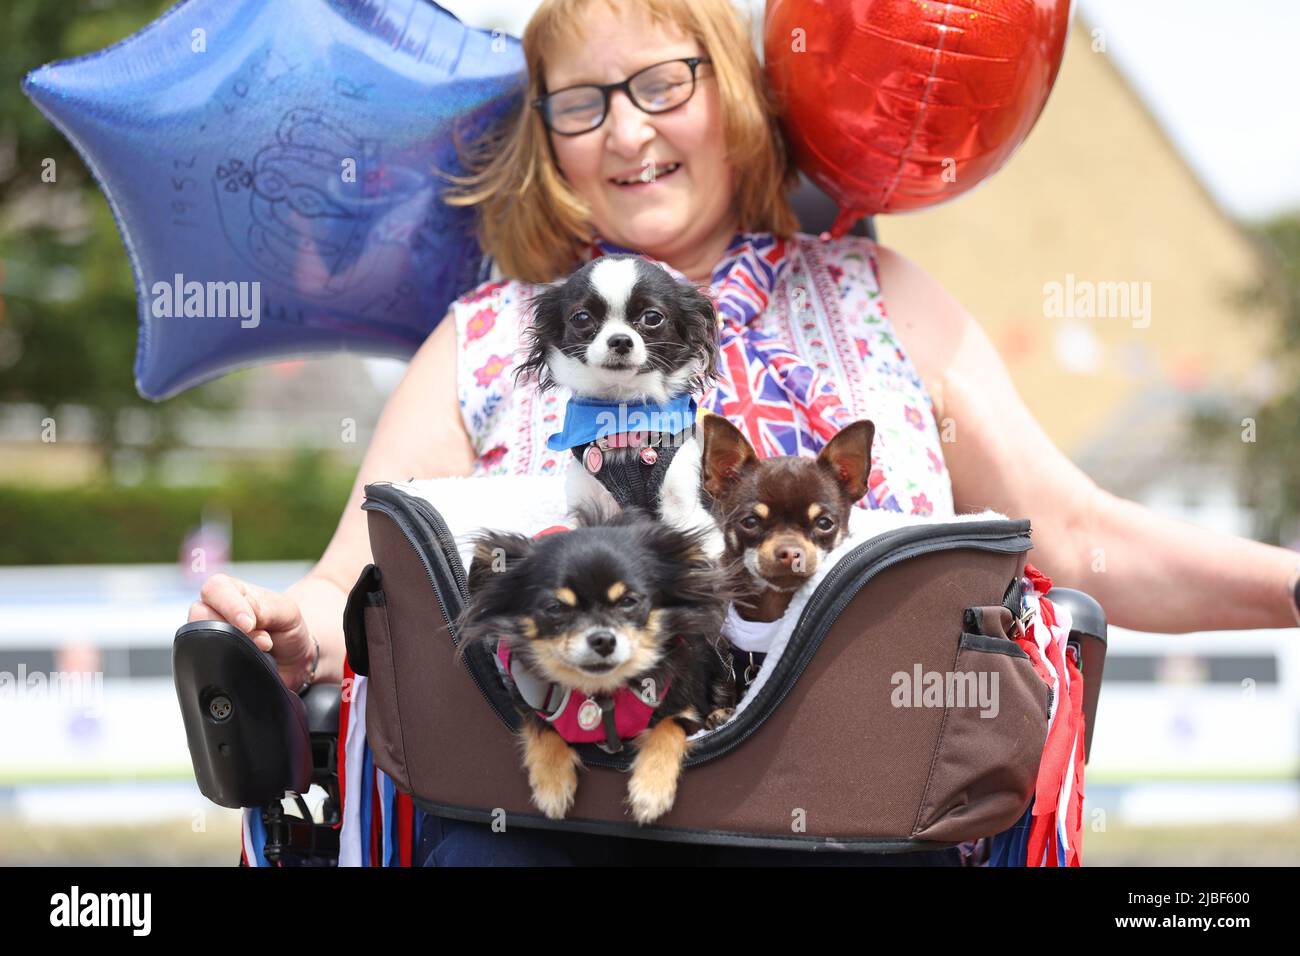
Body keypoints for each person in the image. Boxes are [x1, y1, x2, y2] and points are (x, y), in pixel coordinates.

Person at [187, 0, 1300, 864]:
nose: (626, 127)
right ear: (550, 144)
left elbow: (1075, 530)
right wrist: (292, 624)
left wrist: (1286, 587)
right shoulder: (486, 337)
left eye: (662, 83)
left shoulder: (880, 294)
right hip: (537, 829)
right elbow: (355, 584)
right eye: (581, 101)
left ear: (732, 95)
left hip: (863, 834)